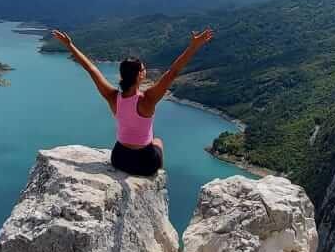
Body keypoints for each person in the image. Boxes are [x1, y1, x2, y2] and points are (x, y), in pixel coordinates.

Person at [51, 28, 214, 176]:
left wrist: (70, 45)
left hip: (120, 158)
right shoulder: (147, 99)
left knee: (146, 142)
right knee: (158, 141)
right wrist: (194, 46)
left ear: (122, 77)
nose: (145, 70)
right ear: (139, 76)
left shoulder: (112, 96)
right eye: (143, 69)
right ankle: (157, 177)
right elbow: (173, 72)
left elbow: (91, 69)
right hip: (145, 162)